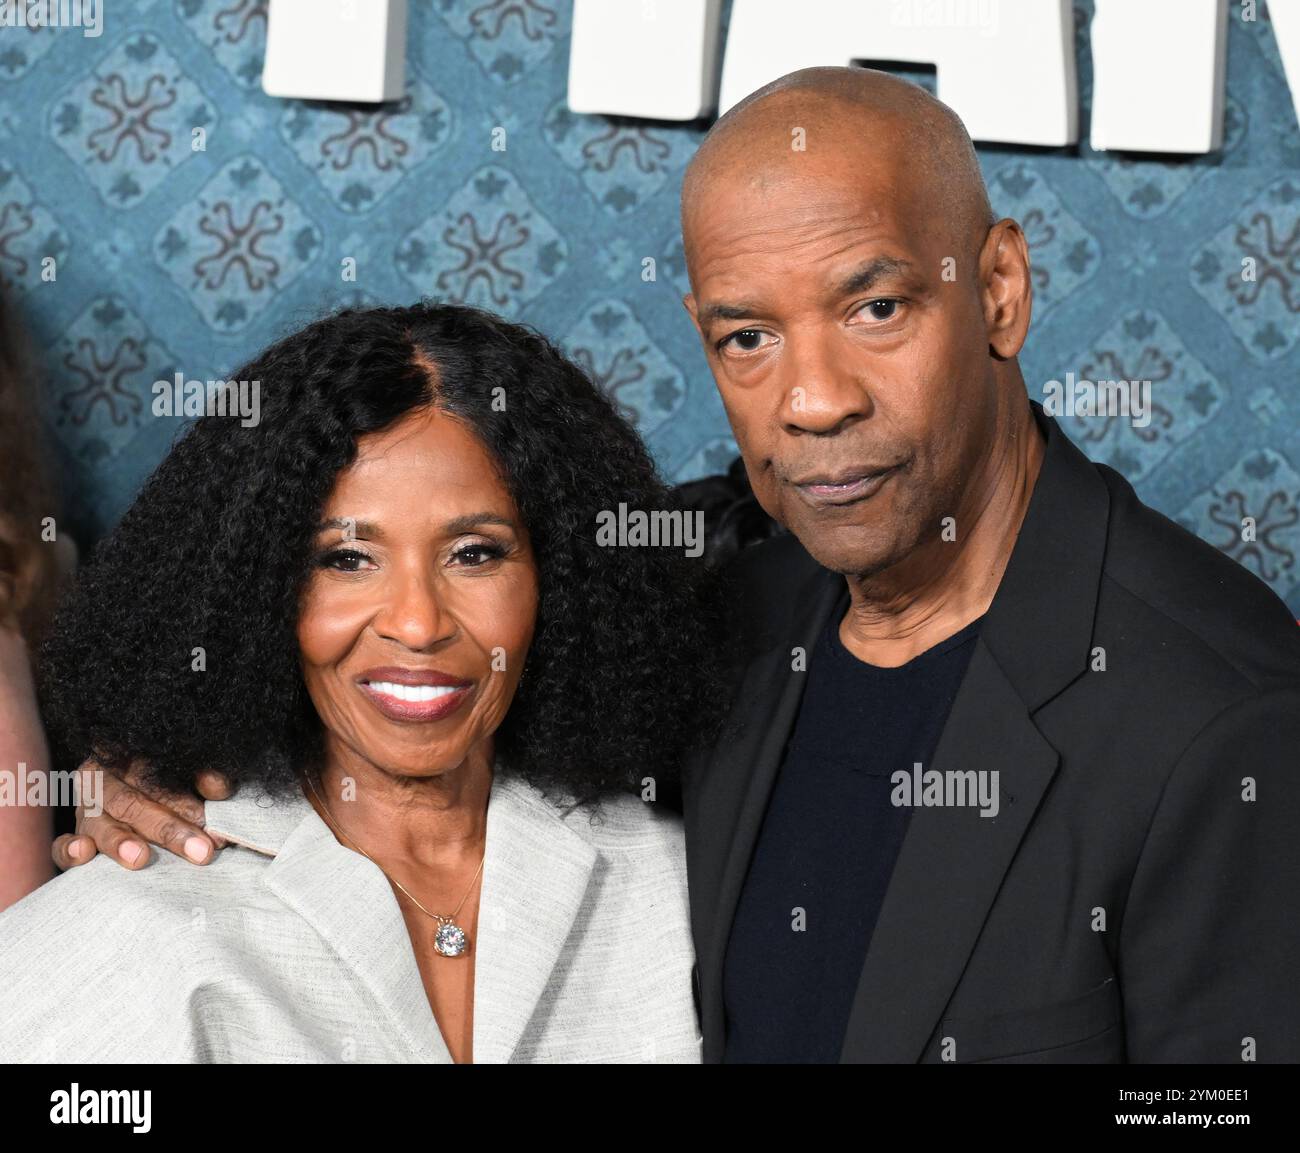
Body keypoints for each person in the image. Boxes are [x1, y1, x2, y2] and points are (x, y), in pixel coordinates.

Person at [58, 69, 1300, 1064]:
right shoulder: (710, 596)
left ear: (998, 292)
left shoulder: (1221, 718)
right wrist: (156, 770)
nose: (810, 401)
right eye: (747, 336)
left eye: (874, 310)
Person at [0, 302, 715, 1063]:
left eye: (475, 553)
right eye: (346, 558)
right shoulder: (128, 924)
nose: (417, 622)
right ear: (259, 587)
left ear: (560, 578)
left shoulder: (685, 884)